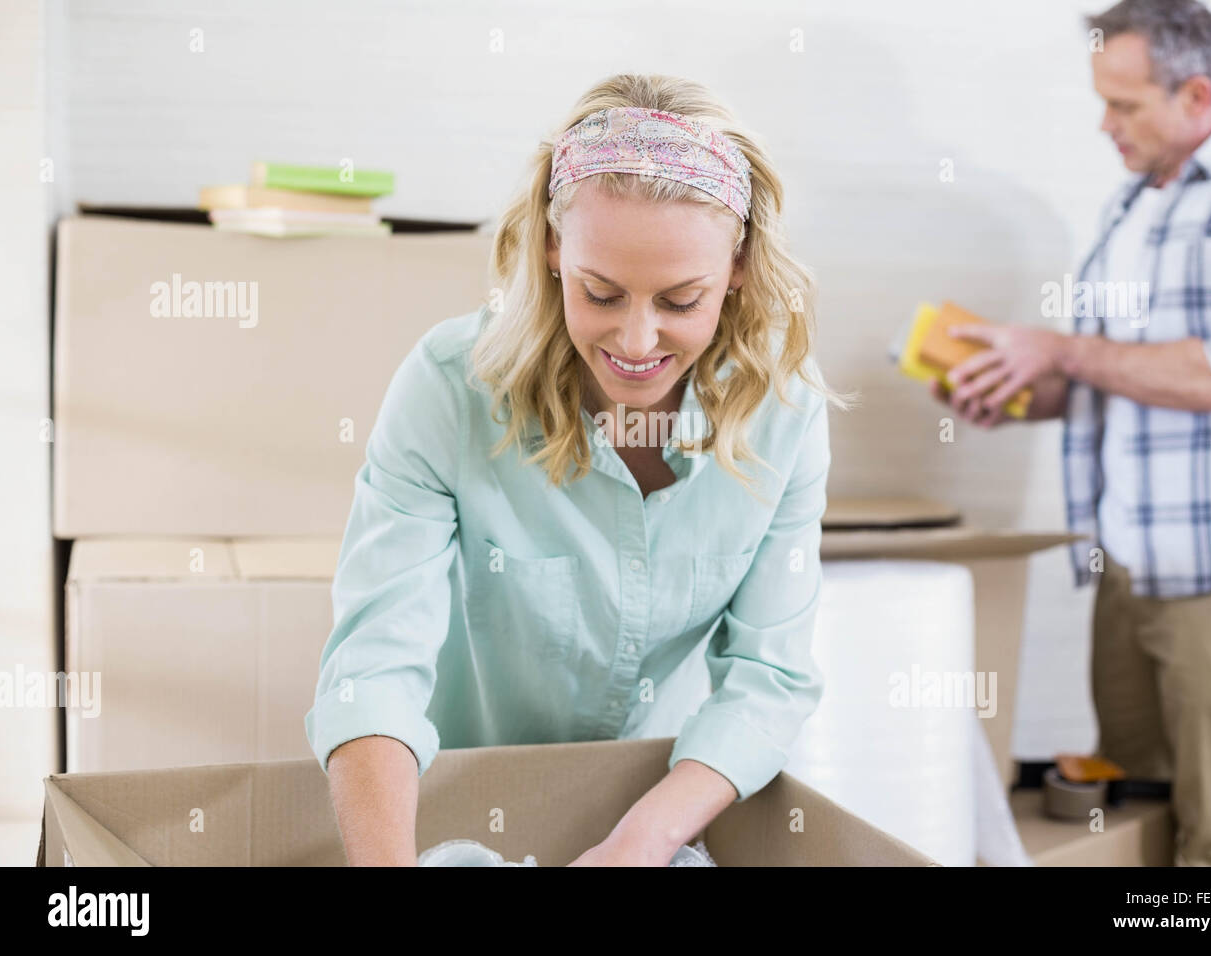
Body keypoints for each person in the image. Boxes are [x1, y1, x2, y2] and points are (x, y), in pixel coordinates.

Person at [305, 73, 850, 866]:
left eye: (679, 301)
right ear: (555, 251)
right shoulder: (450, 386)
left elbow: (770, 673)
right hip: (453, 801)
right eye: (601, 293)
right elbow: (373, 666)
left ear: (737, 266)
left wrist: (641, 842)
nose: (635, 342)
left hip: (662, 797)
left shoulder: (785, 414)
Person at [933, 0, 1211, 865]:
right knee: (1136, 818)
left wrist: (1053, 345)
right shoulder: (1130, 206)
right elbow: (1116, 380)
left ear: (1196, 91)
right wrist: (1022, 389)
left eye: (1124, 105)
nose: (1105, 124)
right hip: (1123, 568)